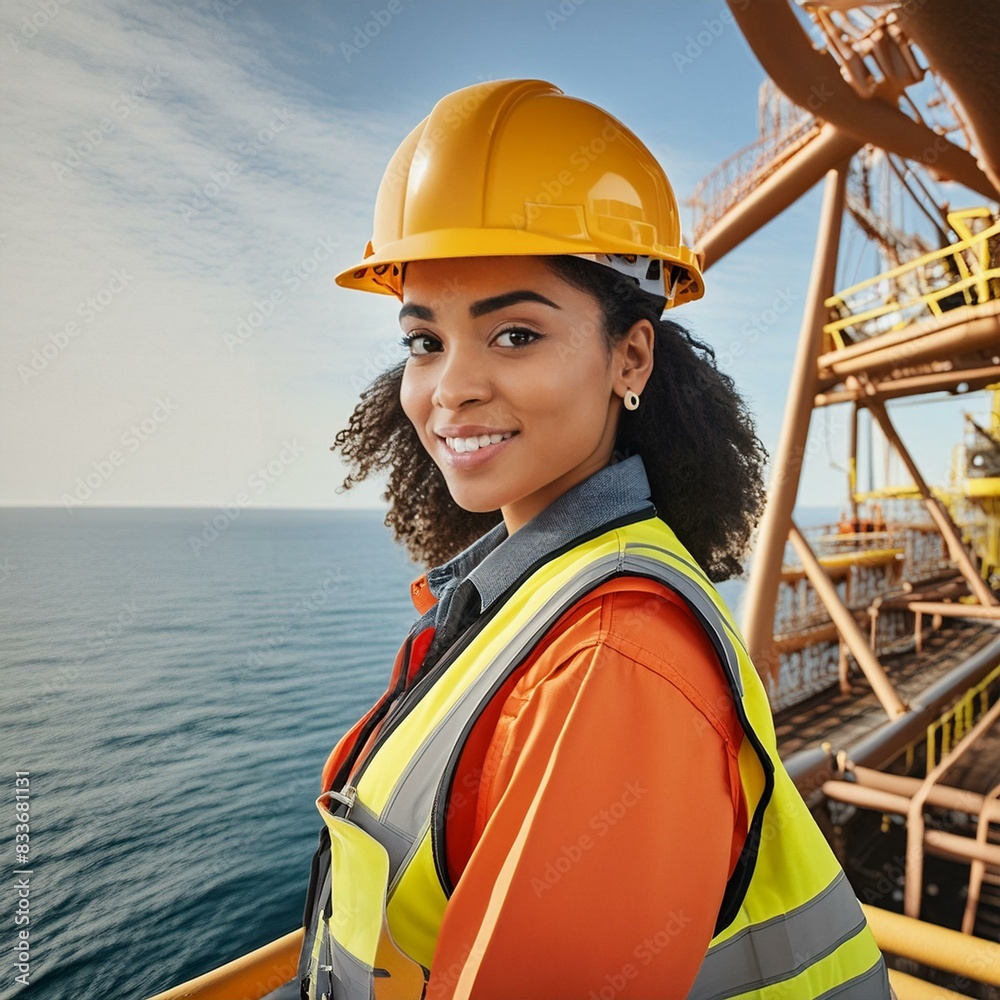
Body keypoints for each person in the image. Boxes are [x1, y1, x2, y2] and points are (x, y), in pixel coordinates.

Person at [280, 79, 891, 1000]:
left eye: (515, 334)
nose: (451, 388)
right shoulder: (532, 598)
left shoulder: (612, 661)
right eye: (423, 341)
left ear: (630, 357)